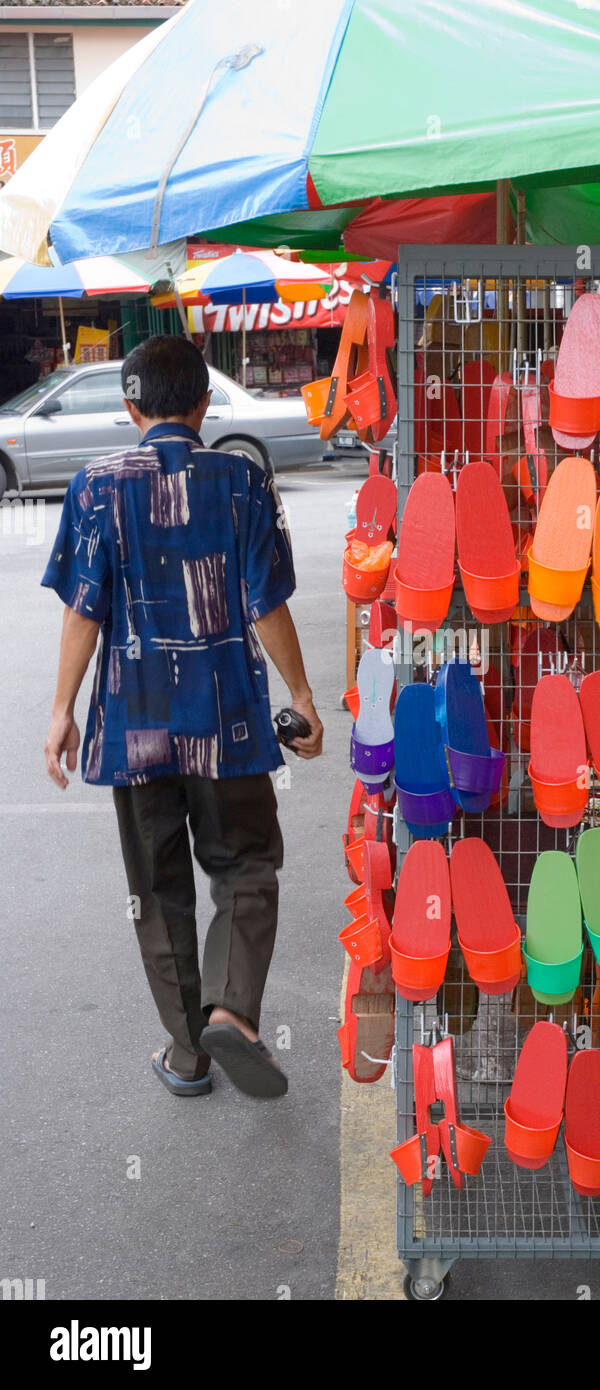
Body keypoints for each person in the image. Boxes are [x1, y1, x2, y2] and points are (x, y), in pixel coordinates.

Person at [41, 335, 323, 1100]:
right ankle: (230, 1008)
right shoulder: (242, 480)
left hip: (133, 727)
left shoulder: (95, 486)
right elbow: (267, 603)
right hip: (228, 724)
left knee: (158, 890)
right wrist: (300, 696)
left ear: (130, 408)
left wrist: (62, 712)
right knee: (247, 866)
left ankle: (188, 1053)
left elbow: (82, 611)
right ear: (204, 405)